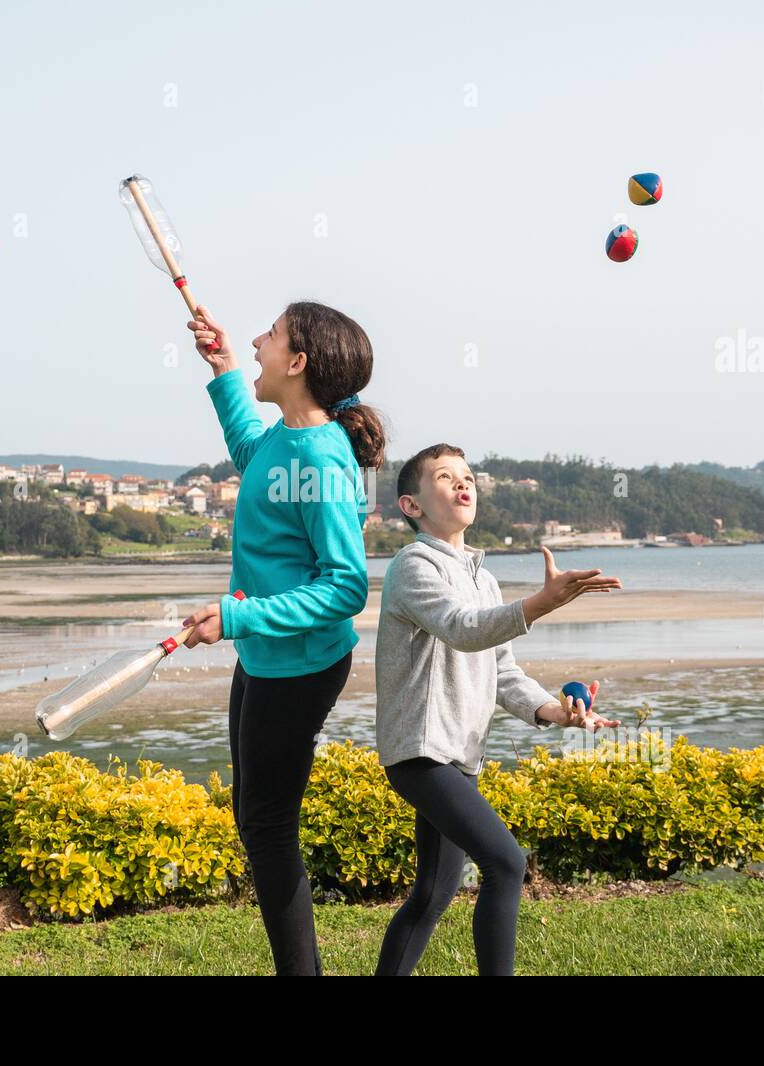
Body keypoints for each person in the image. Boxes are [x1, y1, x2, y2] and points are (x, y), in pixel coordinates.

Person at [180, 300, 386, 975]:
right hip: (269, 654)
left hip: (298, 664)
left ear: (298, 364)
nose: (256, 340)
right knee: (255, 816)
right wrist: (225, 372)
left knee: (267, 828)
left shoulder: (324, 461)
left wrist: (235, 618)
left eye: (269, 336)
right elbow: (252, 454)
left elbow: (345, 589)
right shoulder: (286, 440)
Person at [374, 443, 622, 975]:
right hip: (420, 751)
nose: (464, 484)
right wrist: (541, 603)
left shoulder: (482, 578)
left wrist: (556, 711)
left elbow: (501, 670)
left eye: (467, 476)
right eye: (445, 477)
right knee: (506, 864)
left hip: (457, 758)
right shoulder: (413, 565)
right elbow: (464, 630)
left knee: (432, 896)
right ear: (411, 506)